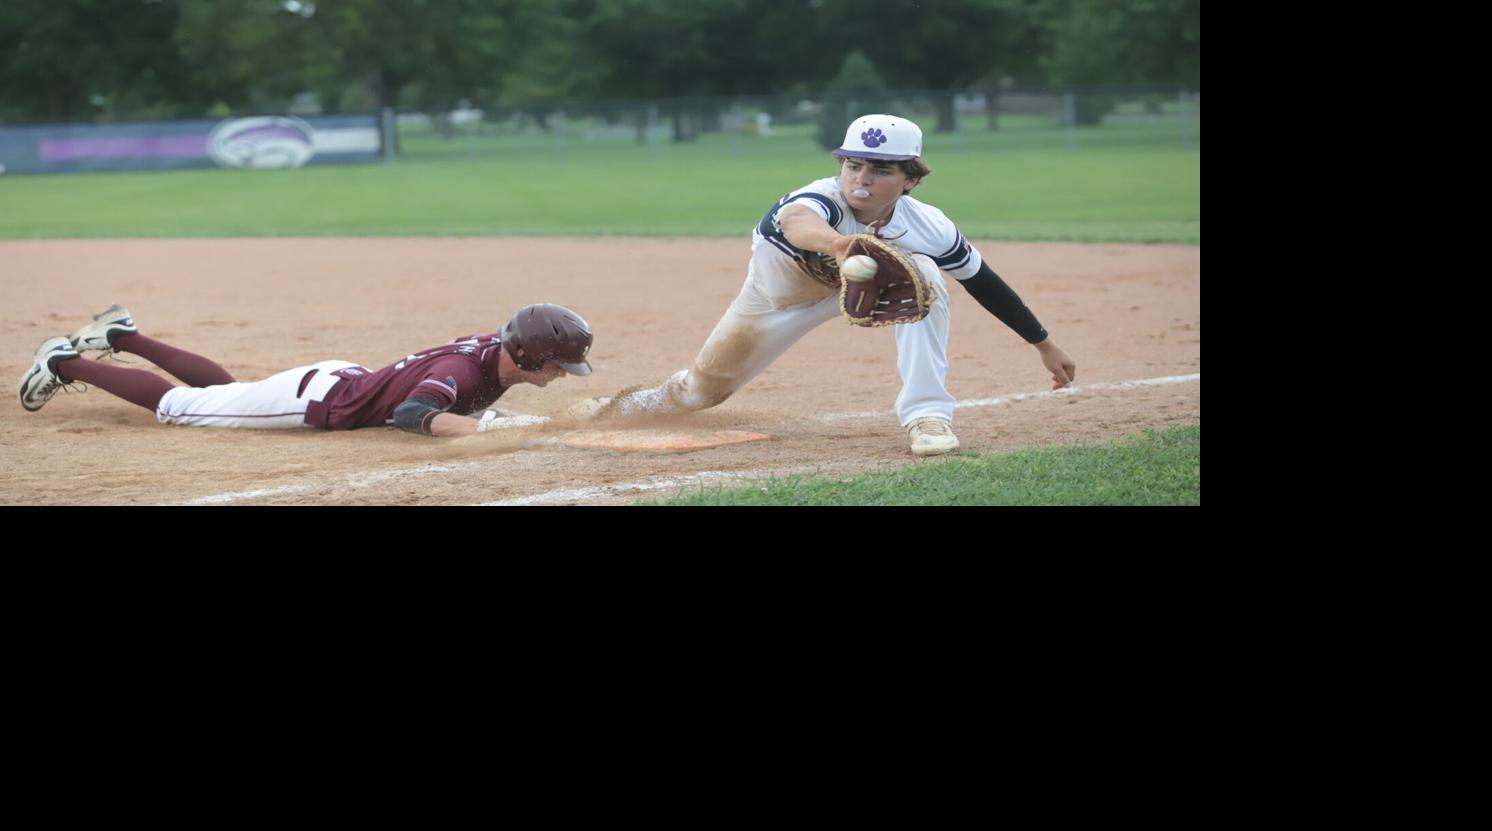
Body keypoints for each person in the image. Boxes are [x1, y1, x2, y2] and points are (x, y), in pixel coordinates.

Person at [574, 113, 1077, 456]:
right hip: (773, 303)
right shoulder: (820, 200)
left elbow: (983, 282)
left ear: (911, 179)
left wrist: (1044, 344)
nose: (861, 178)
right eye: (852, 164)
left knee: (926, 277)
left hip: (858, 289)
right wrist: (841, 247)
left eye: (880, 170)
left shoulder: (928, 224)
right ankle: (609, 409)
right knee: (699, 393)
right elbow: (797, 222)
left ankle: (928, 417)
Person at [17, 302, 593, 437]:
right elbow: (411, 412)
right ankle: (63, 360)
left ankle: (122, 334)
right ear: (525, 354)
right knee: (177, 407)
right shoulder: (463, 374)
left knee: (233, 392)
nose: (564, 372)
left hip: (337, 376)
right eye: (559, 363)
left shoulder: (497, 350)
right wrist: (491, 428)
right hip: (319, 401)